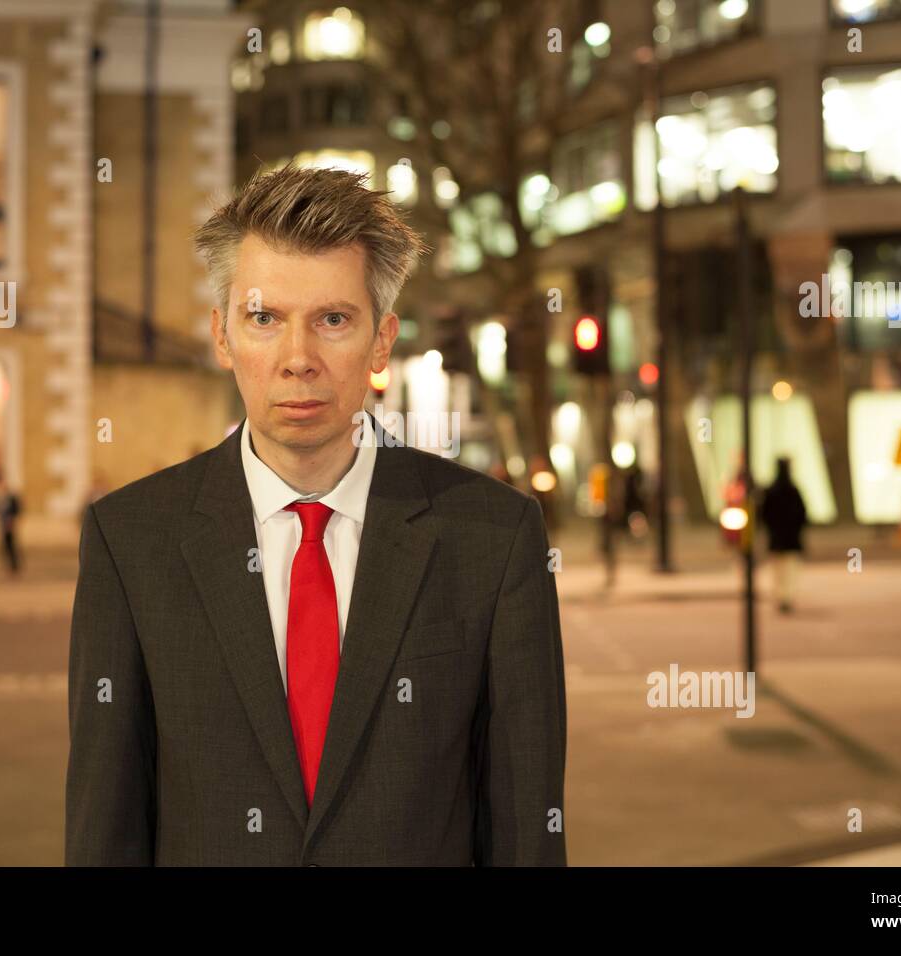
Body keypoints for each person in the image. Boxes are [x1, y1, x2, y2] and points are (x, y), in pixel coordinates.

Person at [65, 163, 567, 866]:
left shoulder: (494, 538)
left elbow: (526, 834)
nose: (297, 359)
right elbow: (103, 831)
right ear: (222, 335)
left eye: (332, 320)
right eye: (264, 318)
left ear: (383, 339)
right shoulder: (130, 542)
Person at [759, 456, 808, 613]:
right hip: (791, 538)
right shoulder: (793, 491)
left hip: (776, 538)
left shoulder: (771, 491)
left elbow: (764, 514)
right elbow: (802, 514)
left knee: (778, 570)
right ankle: (786, 596)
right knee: (789, 569)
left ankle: (782, 596)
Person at [0, 480, 21, 575]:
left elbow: (16, 510)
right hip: (2, 525)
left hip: (9, 525)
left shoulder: (10, 499)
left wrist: (12, 521)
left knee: (11, 547)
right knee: (5, 547)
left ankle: (14, 567)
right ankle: (9, 567)